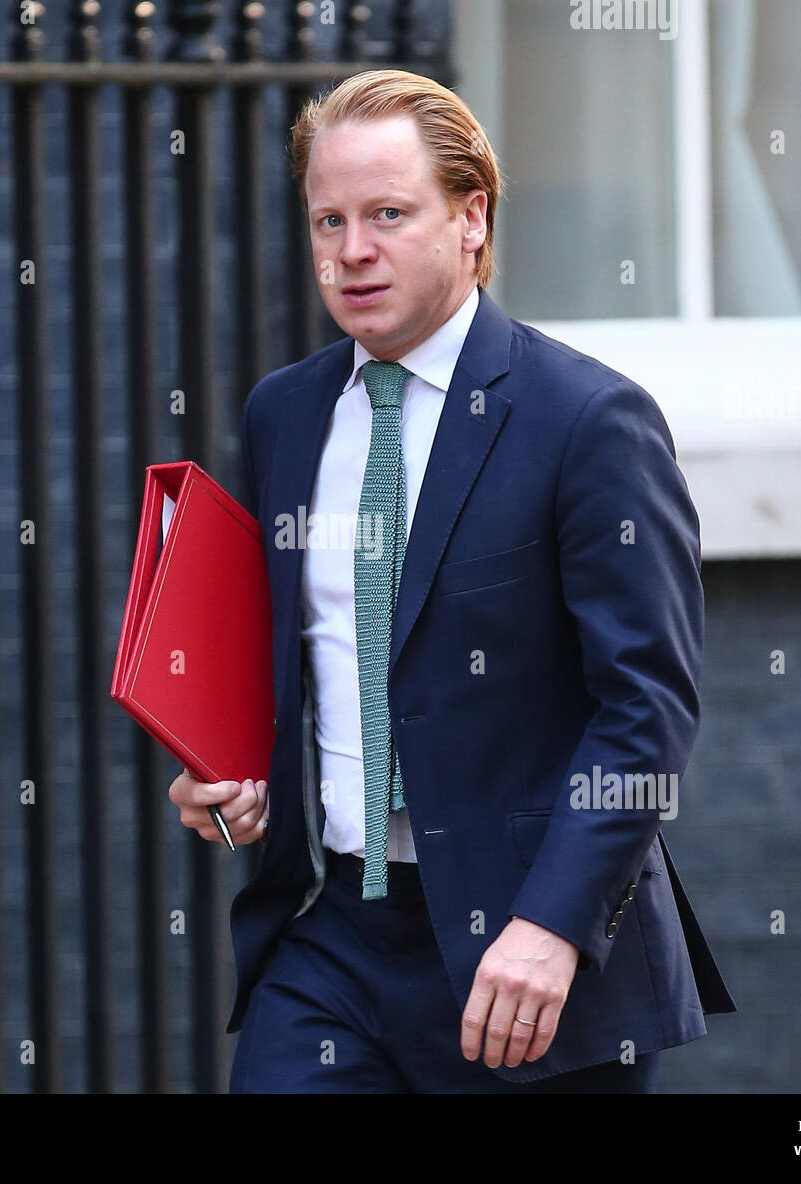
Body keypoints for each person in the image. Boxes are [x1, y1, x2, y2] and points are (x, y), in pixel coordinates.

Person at [169, 68, 735, 1093]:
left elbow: (646, 709)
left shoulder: (586, 420)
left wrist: (554, 924)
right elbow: (304, 653)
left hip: (529, 959)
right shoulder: (283, 415)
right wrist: (233, 770)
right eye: (327, 219)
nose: (351, 251)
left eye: (388, 213)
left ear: (471, 216)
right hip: (335, 936)